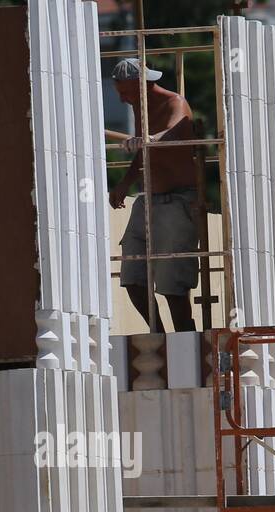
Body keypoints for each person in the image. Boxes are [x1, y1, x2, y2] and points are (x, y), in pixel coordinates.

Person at [109, 57, 199, 333]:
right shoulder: (140, 107)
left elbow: (173, 134)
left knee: (173, 286)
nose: (123, 100)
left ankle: (185, 340)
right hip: (149, 200)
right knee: (133, 277)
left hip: (177, 202)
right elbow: (143, 152)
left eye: (126, 92)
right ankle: (158, 337)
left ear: (143, 84)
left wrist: (148, 140)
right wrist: (125, 183)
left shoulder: (175, 103)